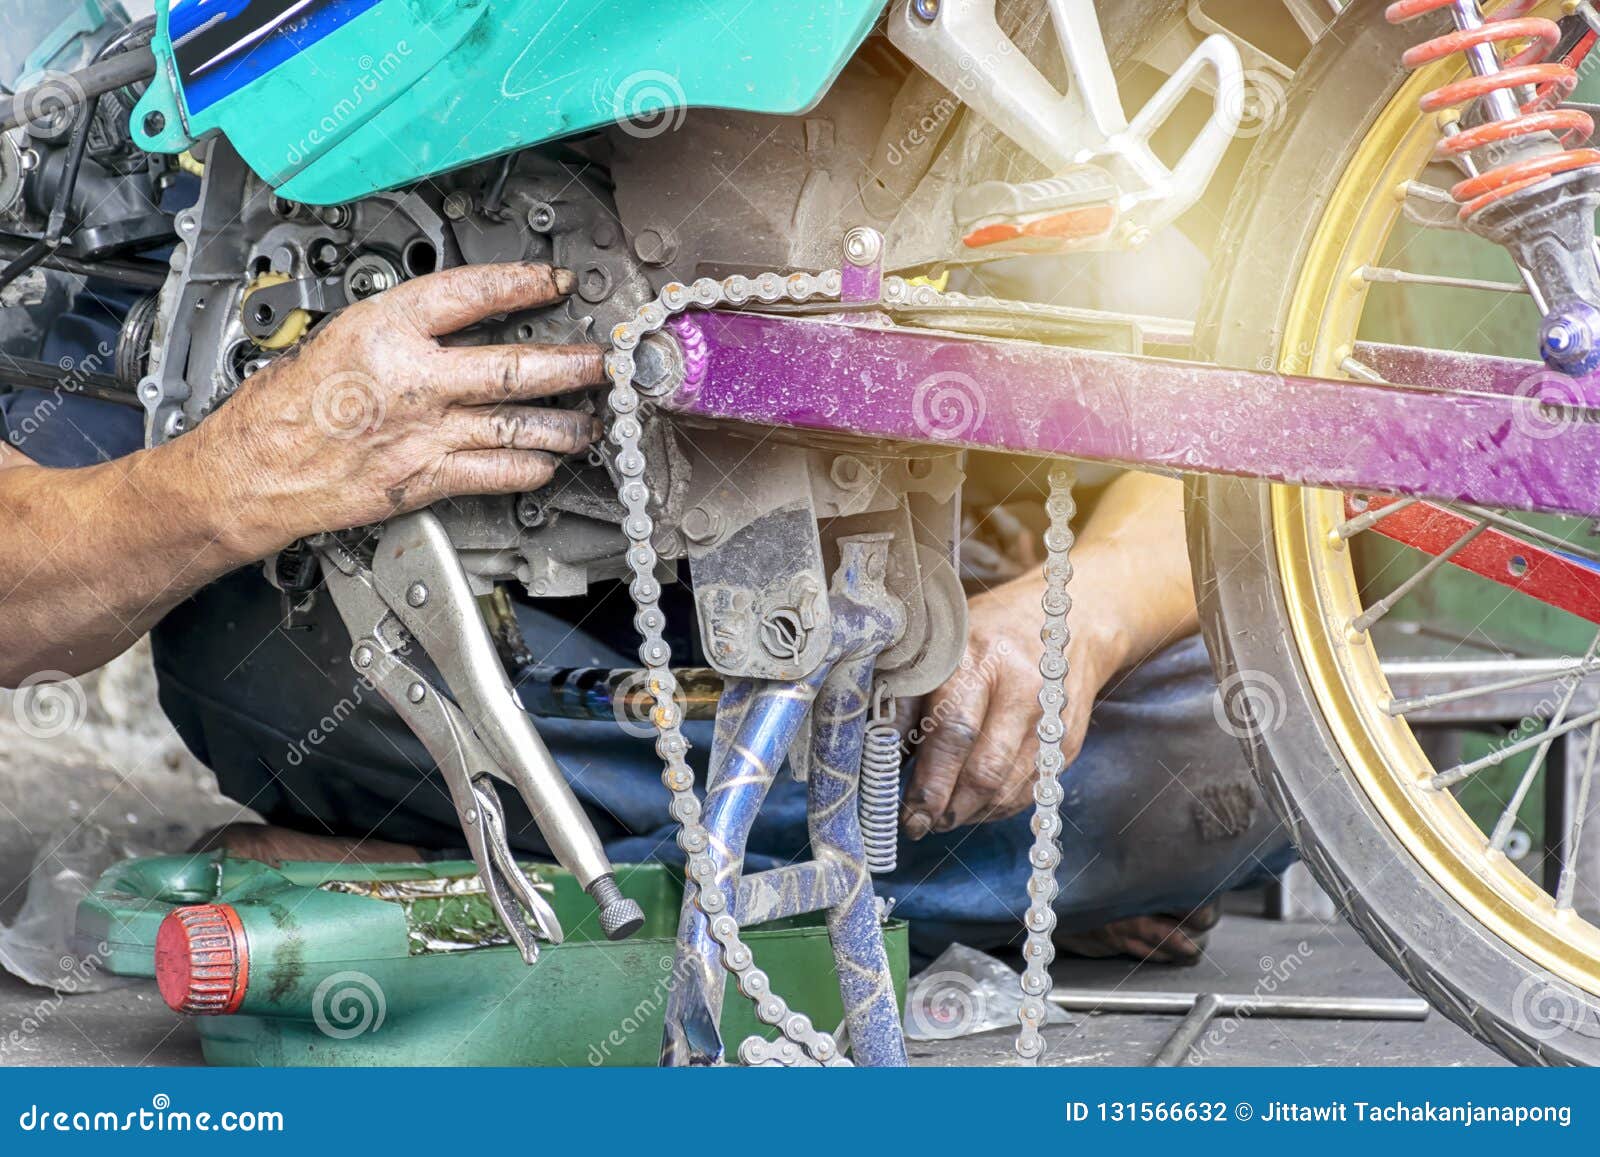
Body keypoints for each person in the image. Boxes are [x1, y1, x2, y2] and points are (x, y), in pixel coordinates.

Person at [2, 260, 1291, 966]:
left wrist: (1082, 612)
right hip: (465, 644)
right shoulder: (154, 126)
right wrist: (240, 471)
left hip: (890, 612)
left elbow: (1264, 438)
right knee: (261, 660)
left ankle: (462, 899)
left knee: (1271, 740)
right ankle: (984, 881)